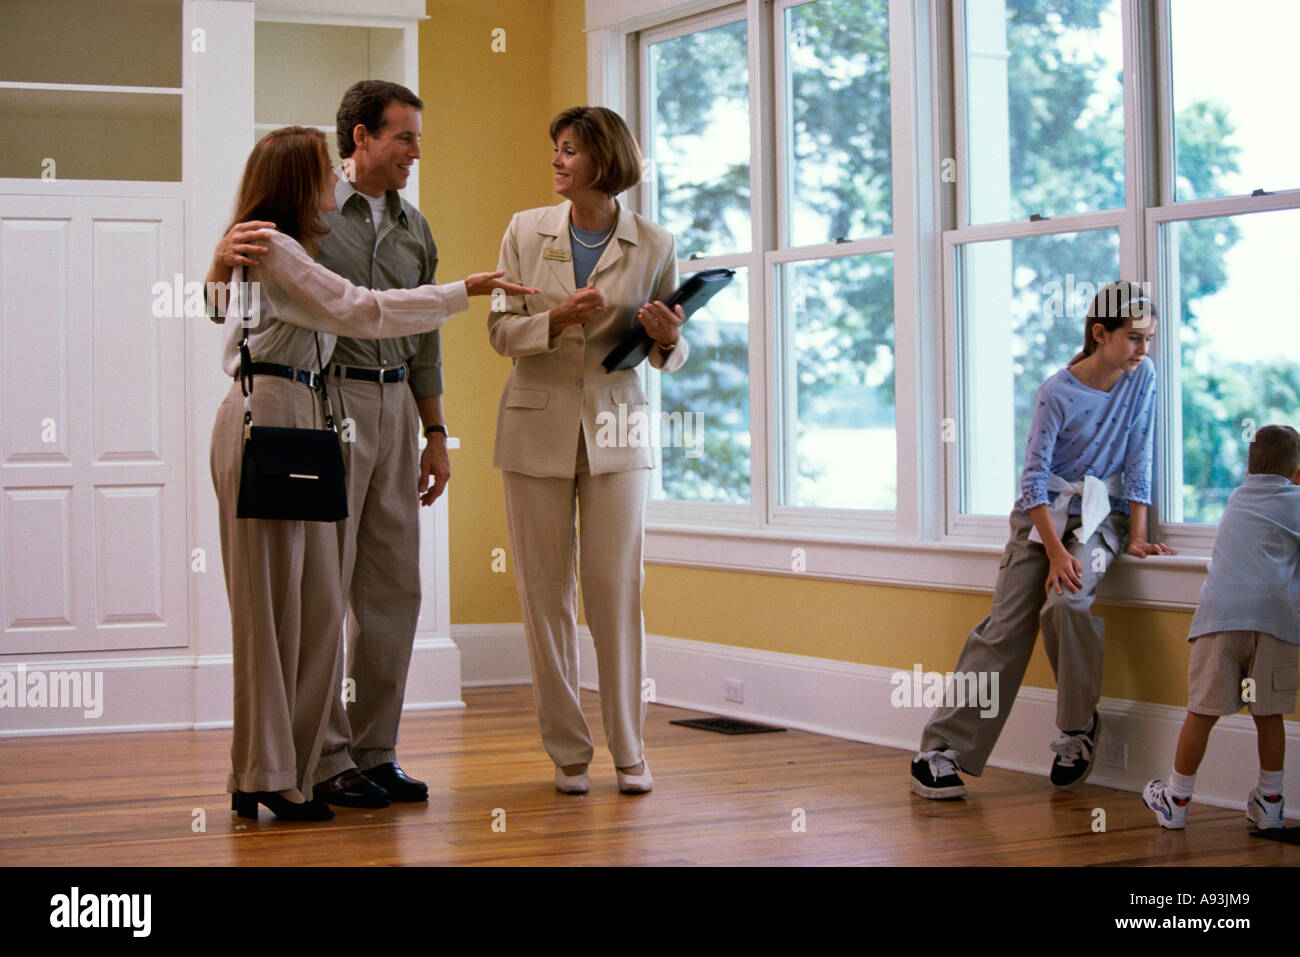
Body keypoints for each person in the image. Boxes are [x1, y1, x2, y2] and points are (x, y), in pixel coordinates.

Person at [208, 125, 534, 821]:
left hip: (300, 411)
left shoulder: (289, 246)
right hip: (266, 415)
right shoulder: (276, 246)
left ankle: (287, 766)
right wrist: (461, 291)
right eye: (324, 172)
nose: (335, 180)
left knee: (312, 607)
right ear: (299, 180)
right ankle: (263, 773)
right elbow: (364, 310)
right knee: (270, 611)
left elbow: (236, 307)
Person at [217, 81, 452, 810]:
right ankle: (321, 755)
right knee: (311, 592)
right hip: (321, 400)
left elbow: (421, 340)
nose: (416, 150)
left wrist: (435, 431)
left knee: (391, 586)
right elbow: (348, 309)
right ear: (361, 139)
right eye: (404, 136)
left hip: (383, 406)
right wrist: (218, 260)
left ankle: (373, 751)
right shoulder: (307, 225)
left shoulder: (414, 228)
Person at [910, 281, 1176, 800]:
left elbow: (1139, 456)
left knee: (1067, 604)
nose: (1144, 350)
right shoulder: (1055, 392)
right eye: (1135, 338)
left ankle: (1077, 730)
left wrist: (1139, 534)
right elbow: (1032, 482)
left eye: (1149, 340)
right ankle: (940, 750)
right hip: (1040, 518)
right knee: (1003, 629)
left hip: (1102, 519)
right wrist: (1053, 551)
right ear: (1101, 334)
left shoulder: (1142, 378)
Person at [487, 106, 687, 795]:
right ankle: (568, 753)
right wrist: (555, 319)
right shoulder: (523, 230)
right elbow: (499, 333)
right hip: (533, 423)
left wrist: (665, 334)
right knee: (544, 594)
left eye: (569, 150)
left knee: (614, 592)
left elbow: (672, 349)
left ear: (603, 160)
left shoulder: (655, 243)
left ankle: (629, 750)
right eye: (557, 149)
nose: (556, 161)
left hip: (616, 428)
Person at [1143, 424, 1300, 830]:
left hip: (1221, 620)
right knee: (1269, 715)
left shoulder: (1236, 498)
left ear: (1249, 470)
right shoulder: (1297, 502)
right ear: (1296, 471)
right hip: (1275, 623)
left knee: (1202, 712)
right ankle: (1270, 802)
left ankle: (1176, 798)